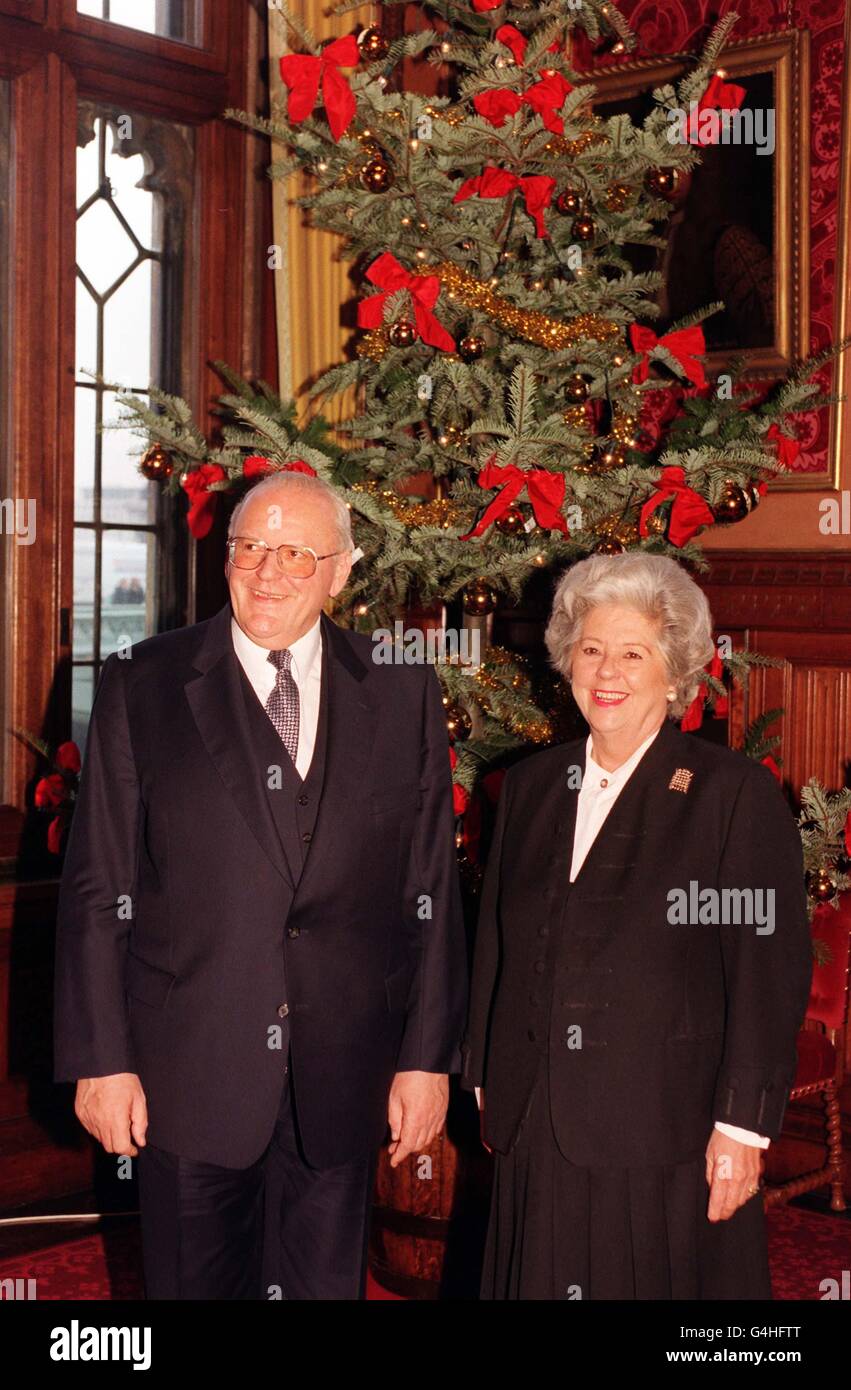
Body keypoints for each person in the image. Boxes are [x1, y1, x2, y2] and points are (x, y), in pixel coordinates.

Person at [54, 469, 466, 1300]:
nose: (267, 571)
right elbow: (98, 887)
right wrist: (101, 1061)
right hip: (188, 1072)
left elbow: (429, 887)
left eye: (294, 553)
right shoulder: (144, 681)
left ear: (342, 572)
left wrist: (426, 1060)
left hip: (344, 1070)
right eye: (250, 548)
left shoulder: (399, 686)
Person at [461, 551, 812, 1300]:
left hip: (667, 1133)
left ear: (676, 671)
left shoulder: (728, 795)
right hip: (537, 1123)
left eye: (632, 653)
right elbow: (495, 940)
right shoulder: (528, 786)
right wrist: (488, 1078)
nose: (607, 672)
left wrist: (742, 1130)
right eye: (591, 650)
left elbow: (766, 972)